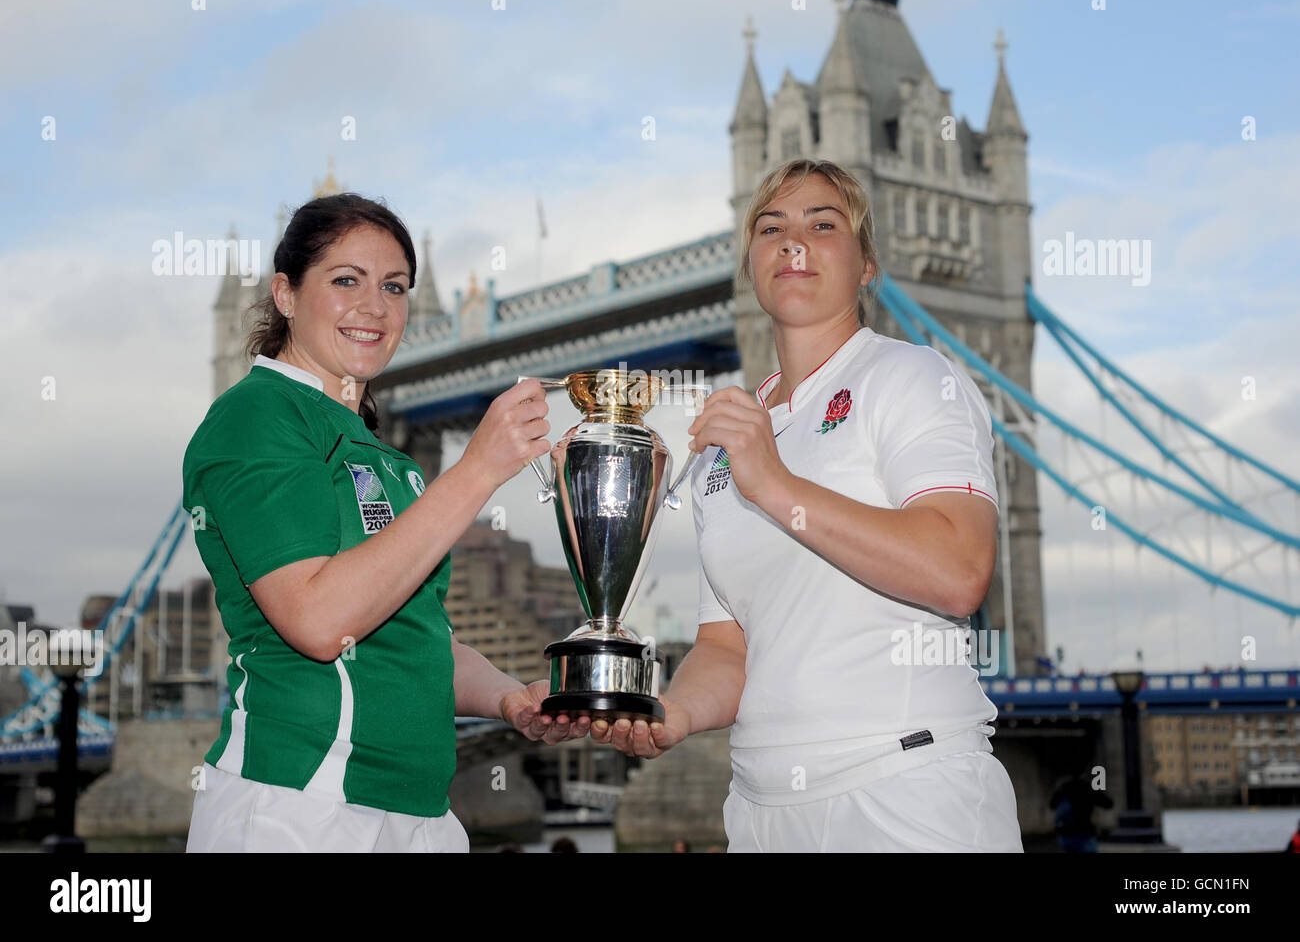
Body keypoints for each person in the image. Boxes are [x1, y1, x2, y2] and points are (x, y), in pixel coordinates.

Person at [590, 158, 1023, 852]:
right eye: (772, 227)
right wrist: (670, 713)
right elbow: (728, 646)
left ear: (867, 267)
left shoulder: (913, 378)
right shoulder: (722, 440)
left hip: (905, 788)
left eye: (823, 225)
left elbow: (960, 570)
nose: (795, 242)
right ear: (750, 263)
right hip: (761, 809)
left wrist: (776, 485)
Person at [182, 193, 585, 852]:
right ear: (285, 294)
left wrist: (512, 699)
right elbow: (317, 622)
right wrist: (478, 471)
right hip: (302, 806)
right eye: (346, 280)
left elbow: (418, 640)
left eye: (394, 287)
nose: (375, 306)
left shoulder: (389, 460)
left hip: (421, 814)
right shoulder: (256, 415)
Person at [1049, 770, 1113, 852]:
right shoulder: (1087, 788)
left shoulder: (1064, 788)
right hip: (1083, 835)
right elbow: (1108, 803)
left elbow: (1052, 805)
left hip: (1066, 835)